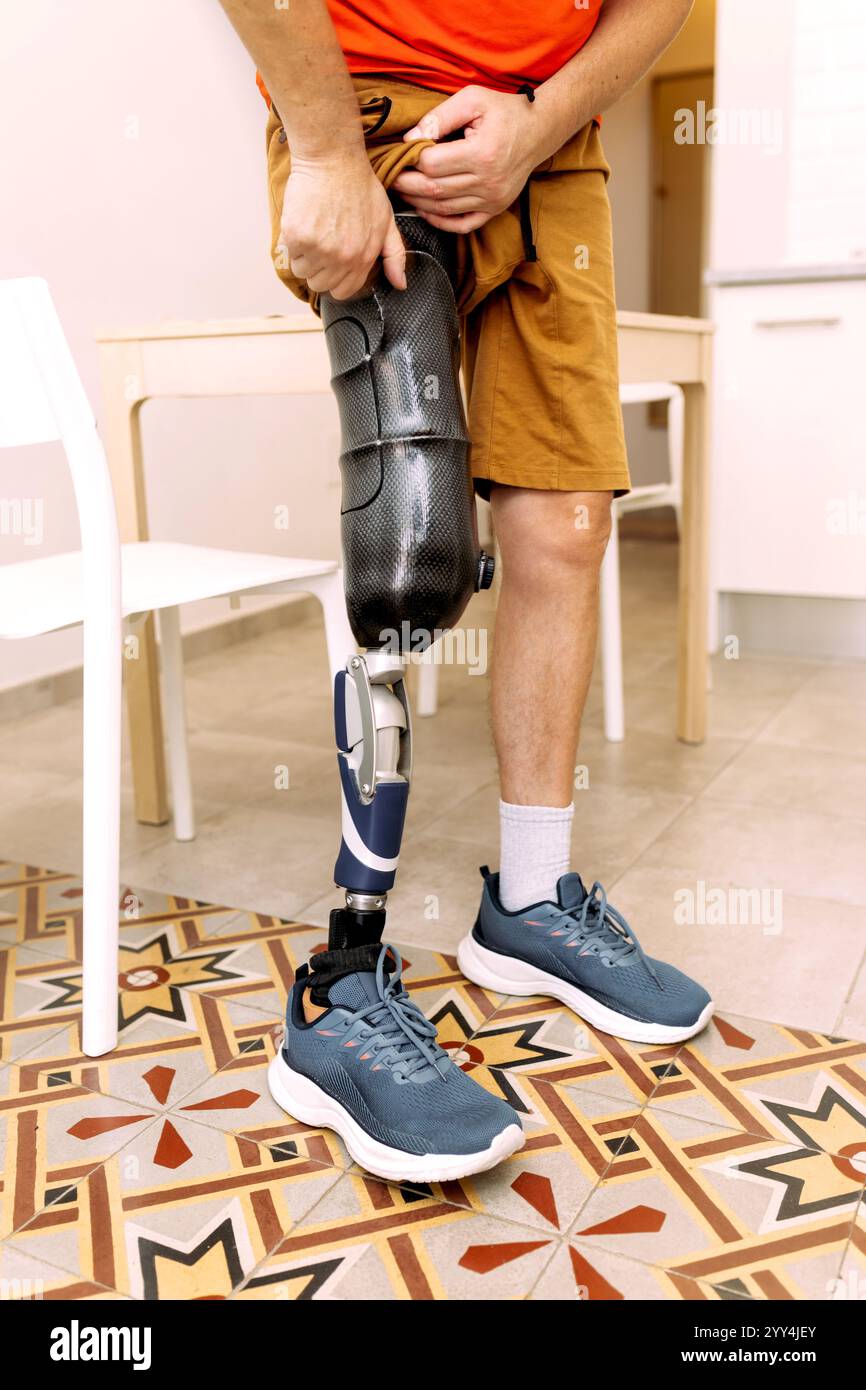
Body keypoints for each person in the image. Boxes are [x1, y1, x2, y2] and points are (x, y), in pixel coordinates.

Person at [218, 0, 712, 1183]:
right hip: (373, 106)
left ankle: (529, 909)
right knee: (410, 537)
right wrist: (327, 148)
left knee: (564, 522)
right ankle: (341, 985)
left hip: (554, 139)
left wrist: (539, 124)